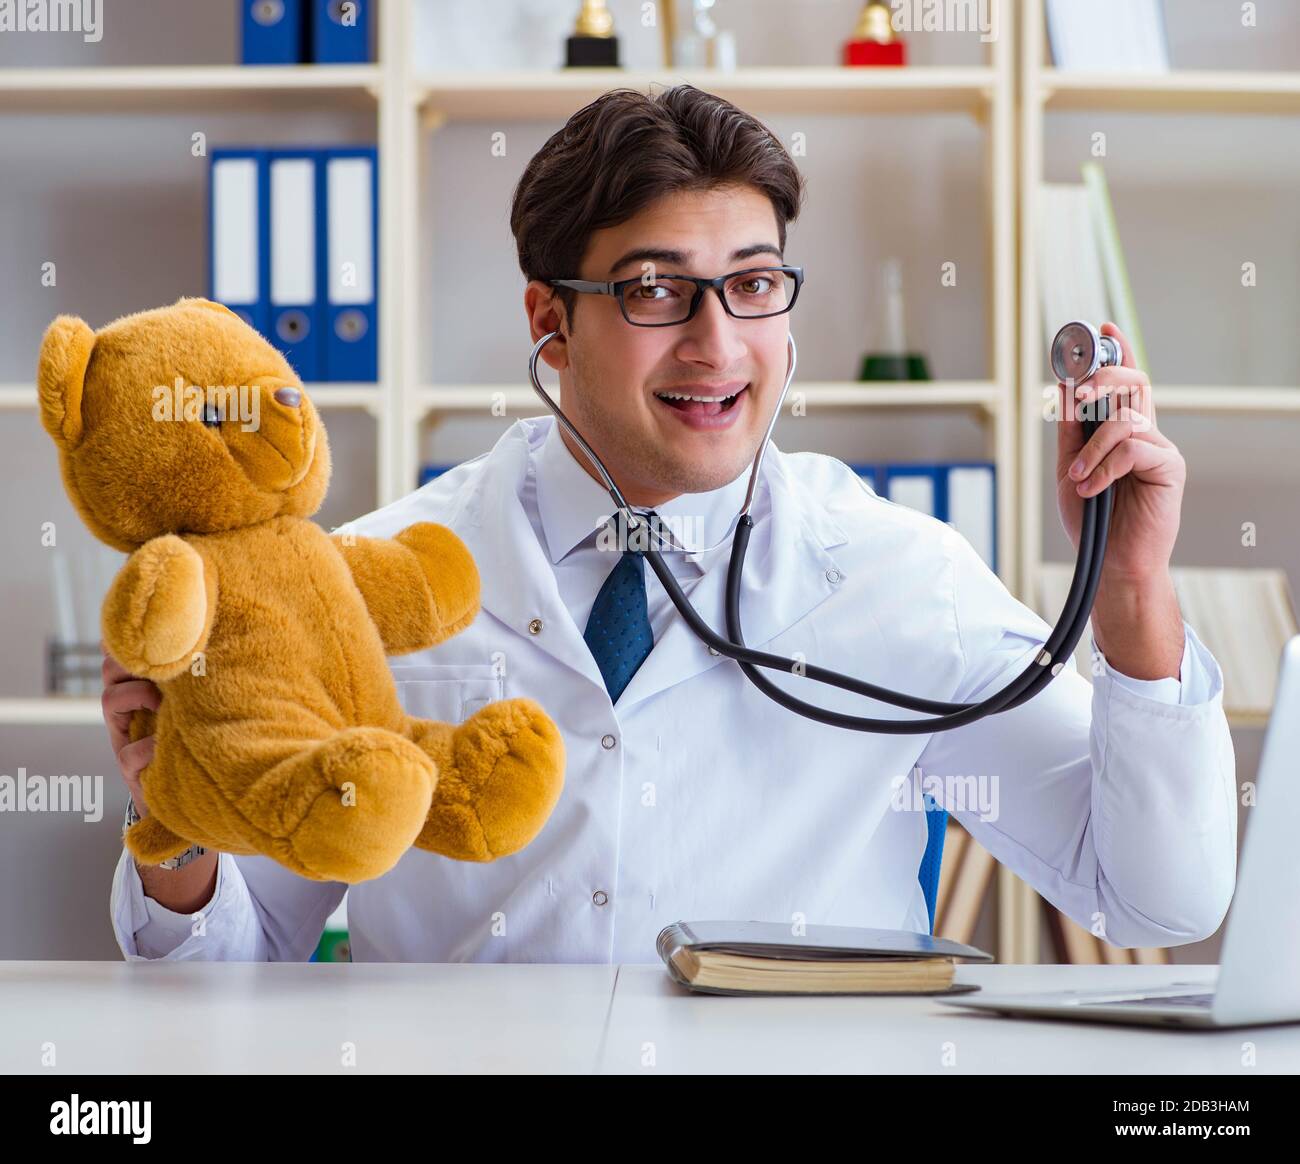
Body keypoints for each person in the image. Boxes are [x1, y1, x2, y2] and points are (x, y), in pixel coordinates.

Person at [105, 85, 1235, 962]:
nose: (716, 345)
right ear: (550, 320)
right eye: (654, 290)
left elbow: (1156, 895)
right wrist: (181, 830)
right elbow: (237, 973)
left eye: (751, 286)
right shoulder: (364, 586)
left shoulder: (900, 575)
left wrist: (1134, 598)